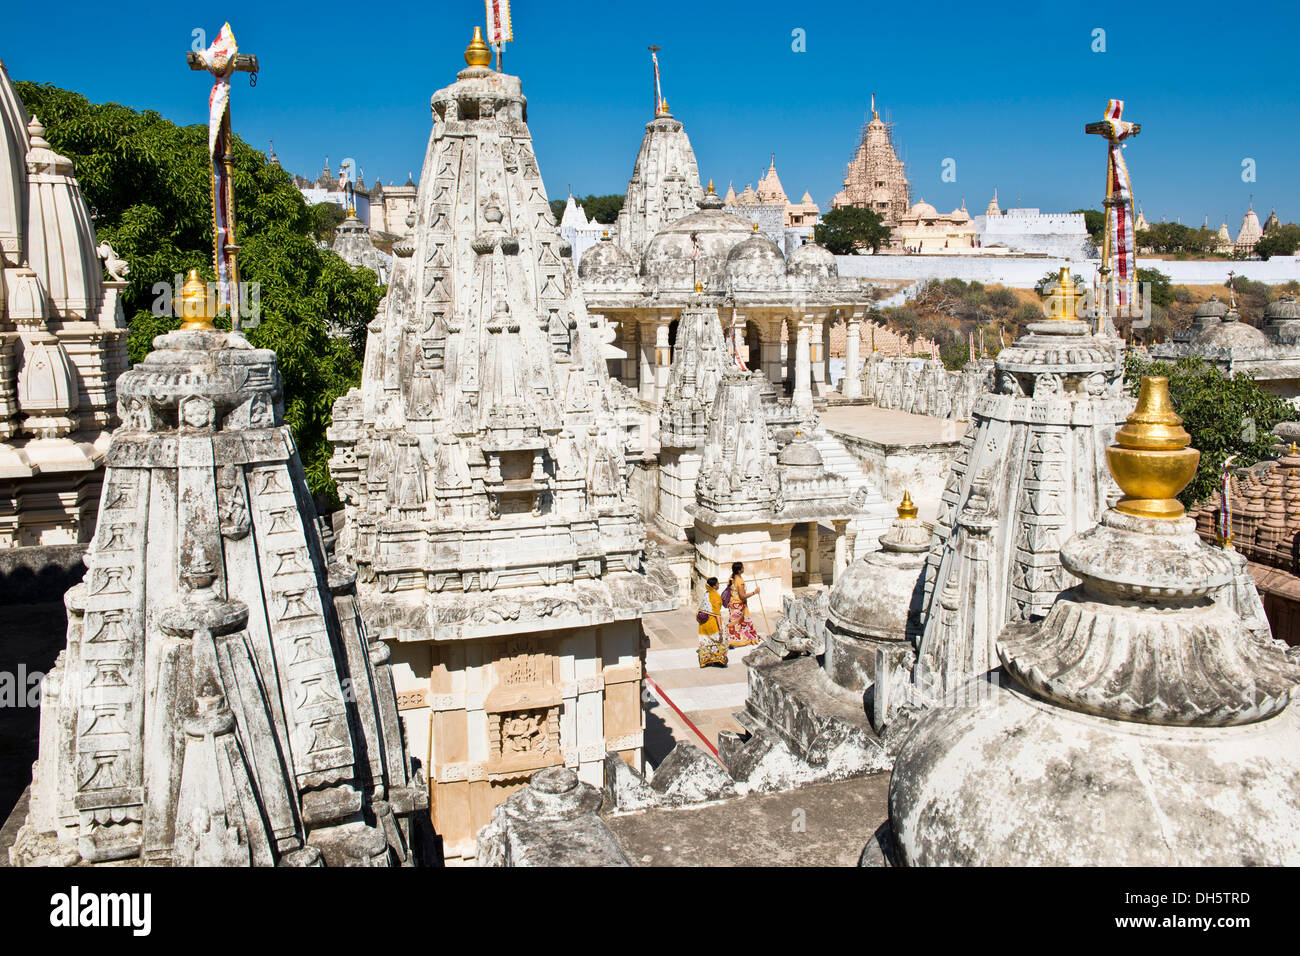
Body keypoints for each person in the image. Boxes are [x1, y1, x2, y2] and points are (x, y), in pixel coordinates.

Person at [724, 561, 761, 647]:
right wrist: (754, 592)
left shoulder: (731, 577)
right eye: (742, 568)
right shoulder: (739, 581)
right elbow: (742, 596)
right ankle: (738, 640)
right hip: (739, 605)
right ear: (739, 570)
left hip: (733, 604)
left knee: (736, 624)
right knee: (740, 624)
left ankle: (735, 639)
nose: (744, 569)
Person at [697, 577, 727, 667]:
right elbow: (717, 614)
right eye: (717, 583)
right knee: (721, 640)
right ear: (714, 586)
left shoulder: (706, 593)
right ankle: (719, 659)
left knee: (706, 641)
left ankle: (705, 661)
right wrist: (720, 628)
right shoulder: (716, 597)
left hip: (703, 624)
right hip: (712, 622)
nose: (719, 585)